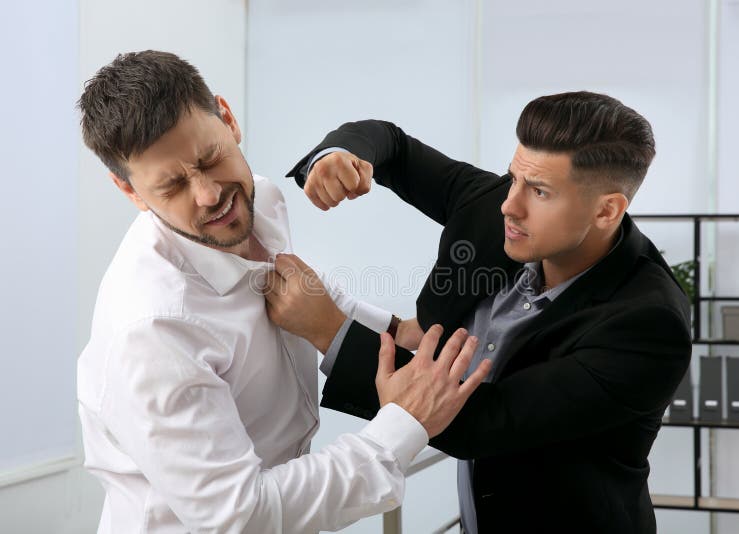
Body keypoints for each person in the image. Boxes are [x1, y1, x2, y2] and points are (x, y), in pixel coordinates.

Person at [76, 50, 490, 534]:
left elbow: (298, 291)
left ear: (228, 119)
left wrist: (398, 331)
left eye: (210, 159)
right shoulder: (153, 332)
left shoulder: (259, 199)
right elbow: (242, 515)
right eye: (172, 187)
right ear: (130, 191)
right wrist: (402, 423)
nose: (210, 195)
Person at [273, 92, 693, 533]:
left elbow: (479, 422)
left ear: (607, 210)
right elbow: (393, 146)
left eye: (540, 191)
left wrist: (328, 329)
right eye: (514, 178)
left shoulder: (648, 325)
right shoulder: (500, 208)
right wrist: (339, 155)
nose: (510, 205)